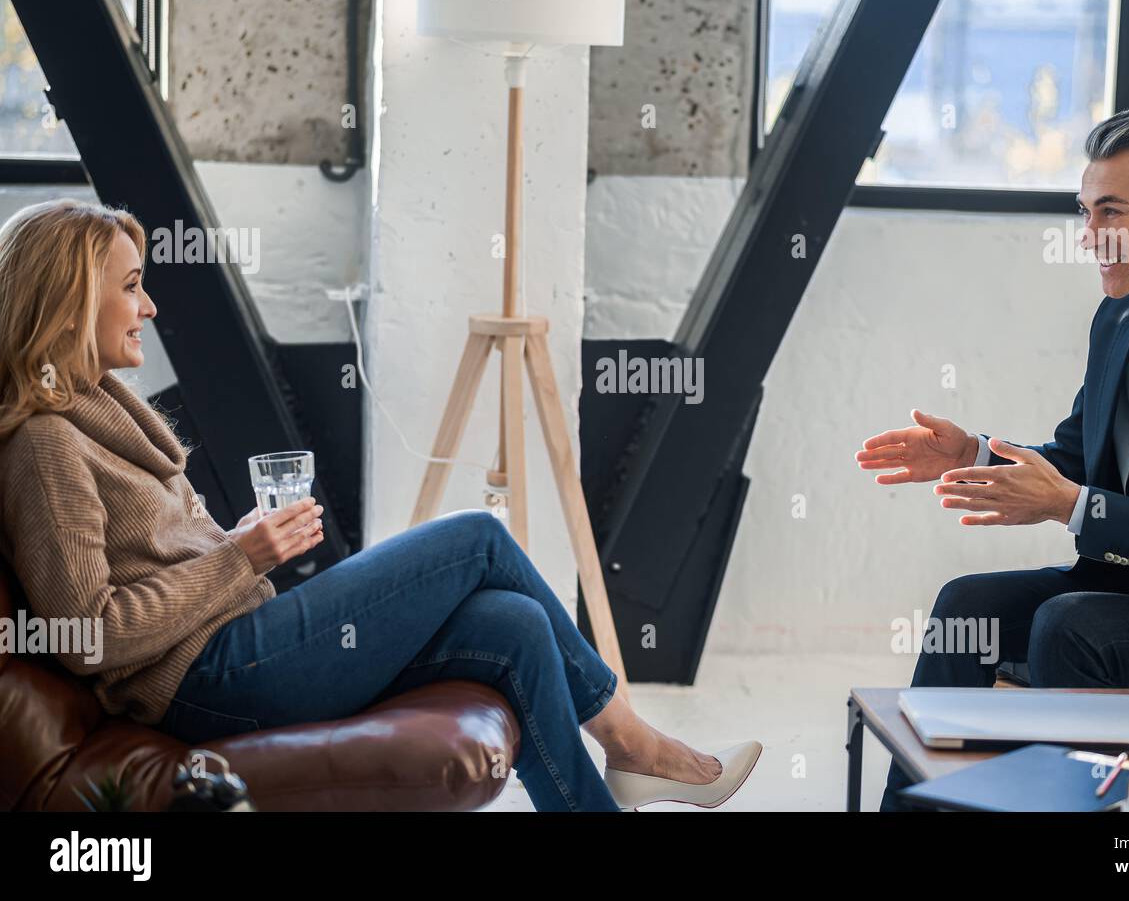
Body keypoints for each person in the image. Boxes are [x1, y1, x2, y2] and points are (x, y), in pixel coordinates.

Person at [0, 198, 762, 812]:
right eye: (131, 285)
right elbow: (89, 635)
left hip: (233, 642)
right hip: (209, 679)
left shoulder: (96, 408)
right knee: (476, 539)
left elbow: (148, 561)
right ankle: (636, 746)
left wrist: (227, 546)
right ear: (69, 303)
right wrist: (242, 557)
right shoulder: (47, 444)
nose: (151, 306)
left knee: (517, 624)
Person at [857, 108, 1129, 811]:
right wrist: (972, 452)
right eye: (1086, 212)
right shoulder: (1117, 320)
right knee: (964, 605)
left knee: (1068, 624)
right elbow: (1078, 457)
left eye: (1112, 213)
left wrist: (1071, 505)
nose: (1089, 237)